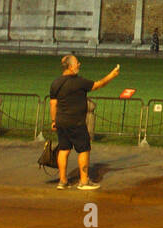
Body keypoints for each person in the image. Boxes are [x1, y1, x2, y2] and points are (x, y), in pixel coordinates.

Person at [48, 55, 120, 190]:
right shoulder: (79, 82)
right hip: (76, 122)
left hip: (61, 121)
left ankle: (63, 181)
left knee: (64, 149)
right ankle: (84, 181)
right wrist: (112, 75)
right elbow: (98, 85)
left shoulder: (55, 83)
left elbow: (53, 104)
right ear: (70, 67)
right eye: (76, 63)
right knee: (84, 149)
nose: (79, 64)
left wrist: (53, 121)